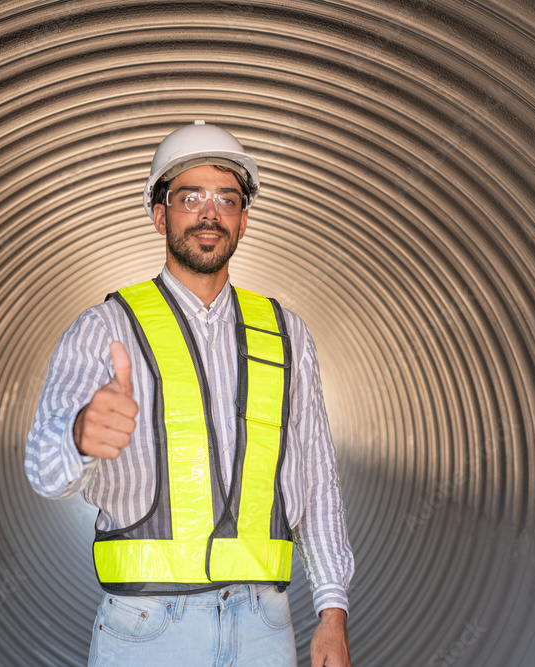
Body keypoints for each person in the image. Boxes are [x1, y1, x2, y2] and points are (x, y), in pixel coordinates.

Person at [25, 120, 354, 666]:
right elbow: (43, 470)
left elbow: (317, 480)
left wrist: (332, 613)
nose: (211, 211)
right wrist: (80, 435)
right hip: (147, 632)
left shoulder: (286, 333)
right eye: (191, 196)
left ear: (244, 221)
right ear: (160, 215)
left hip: (265, 628)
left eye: (227, 198)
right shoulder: (106, 327)